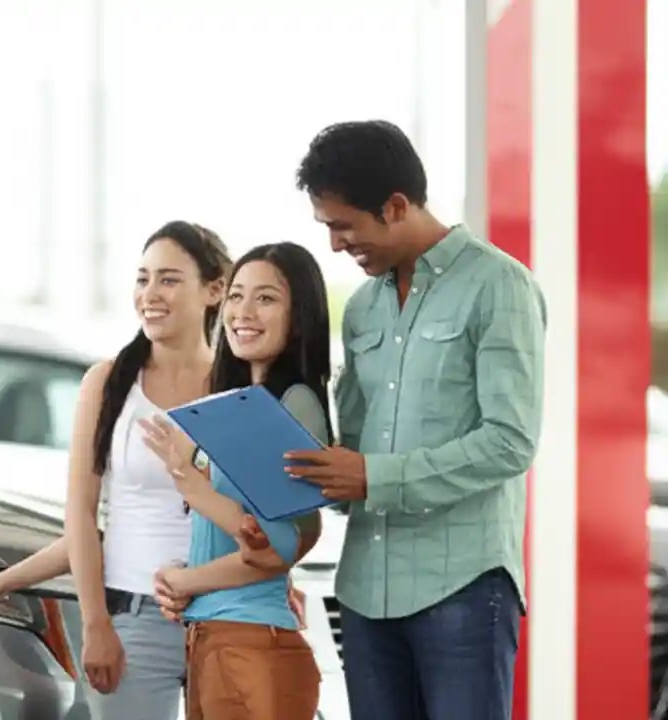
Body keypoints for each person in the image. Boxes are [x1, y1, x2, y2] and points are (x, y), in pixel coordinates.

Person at [283, 119, 545, 720]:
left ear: (396, 206)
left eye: (343, 225)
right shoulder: (365, 306)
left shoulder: (498, 286)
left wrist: (375, 478)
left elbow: (510, 441)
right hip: (365, 591)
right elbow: (351, 446)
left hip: (462, 584)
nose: (336, 245)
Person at [139, 242, 332, 720]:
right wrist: (186, 575)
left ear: (299, 315)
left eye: (266, 298)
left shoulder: (291, 403)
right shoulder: (246, 403)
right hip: (217, 641)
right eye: (237, 296)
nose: (244, 312)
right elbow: (290, 532)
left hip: (247, 644)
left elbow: (277, 545)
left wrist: (186, 576)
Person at [63, 220, 233, 720]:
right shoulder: (109, 383)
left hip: (226, 612)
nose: (150, 294)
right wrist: (96, 624)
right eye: (143, 278)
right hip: (130, 617)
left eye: (169, 279)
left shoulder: (238, 385)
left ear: (214, 290)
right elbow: (81, 514)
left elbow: (256, 517)